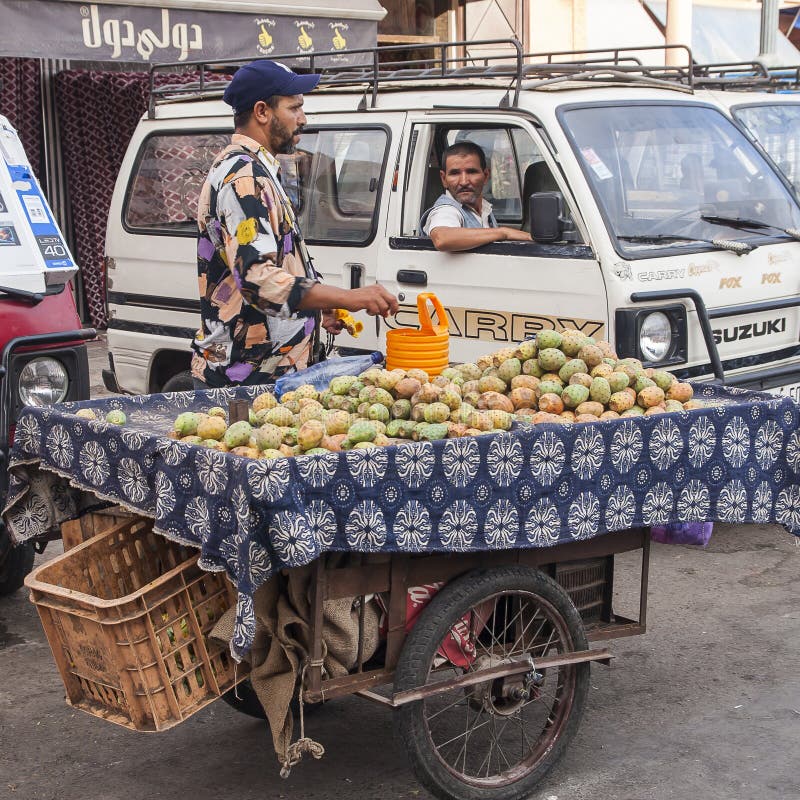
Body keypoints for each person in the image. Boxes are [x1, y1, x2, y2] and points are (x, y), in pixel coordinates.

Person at [192, 59, 398, 388]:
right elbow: (258, 280)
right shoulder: (244, 177)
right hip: (245, 382)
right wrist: (349, 296)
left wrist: (318, 309)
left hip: (272, 373)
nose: (303, 119)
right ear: (262, 111)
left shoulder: (258, 169)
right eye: (295, 108)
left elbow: (279, 270)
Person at [420, 141, 532, 252]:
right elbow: (442, 238)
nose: (463, 182)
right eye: (455, 173)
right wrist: (504, 233)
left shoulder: (484, 208)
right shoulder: (446, 210)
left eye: (471, 172)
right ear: (444, 179)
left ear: (486, 175)